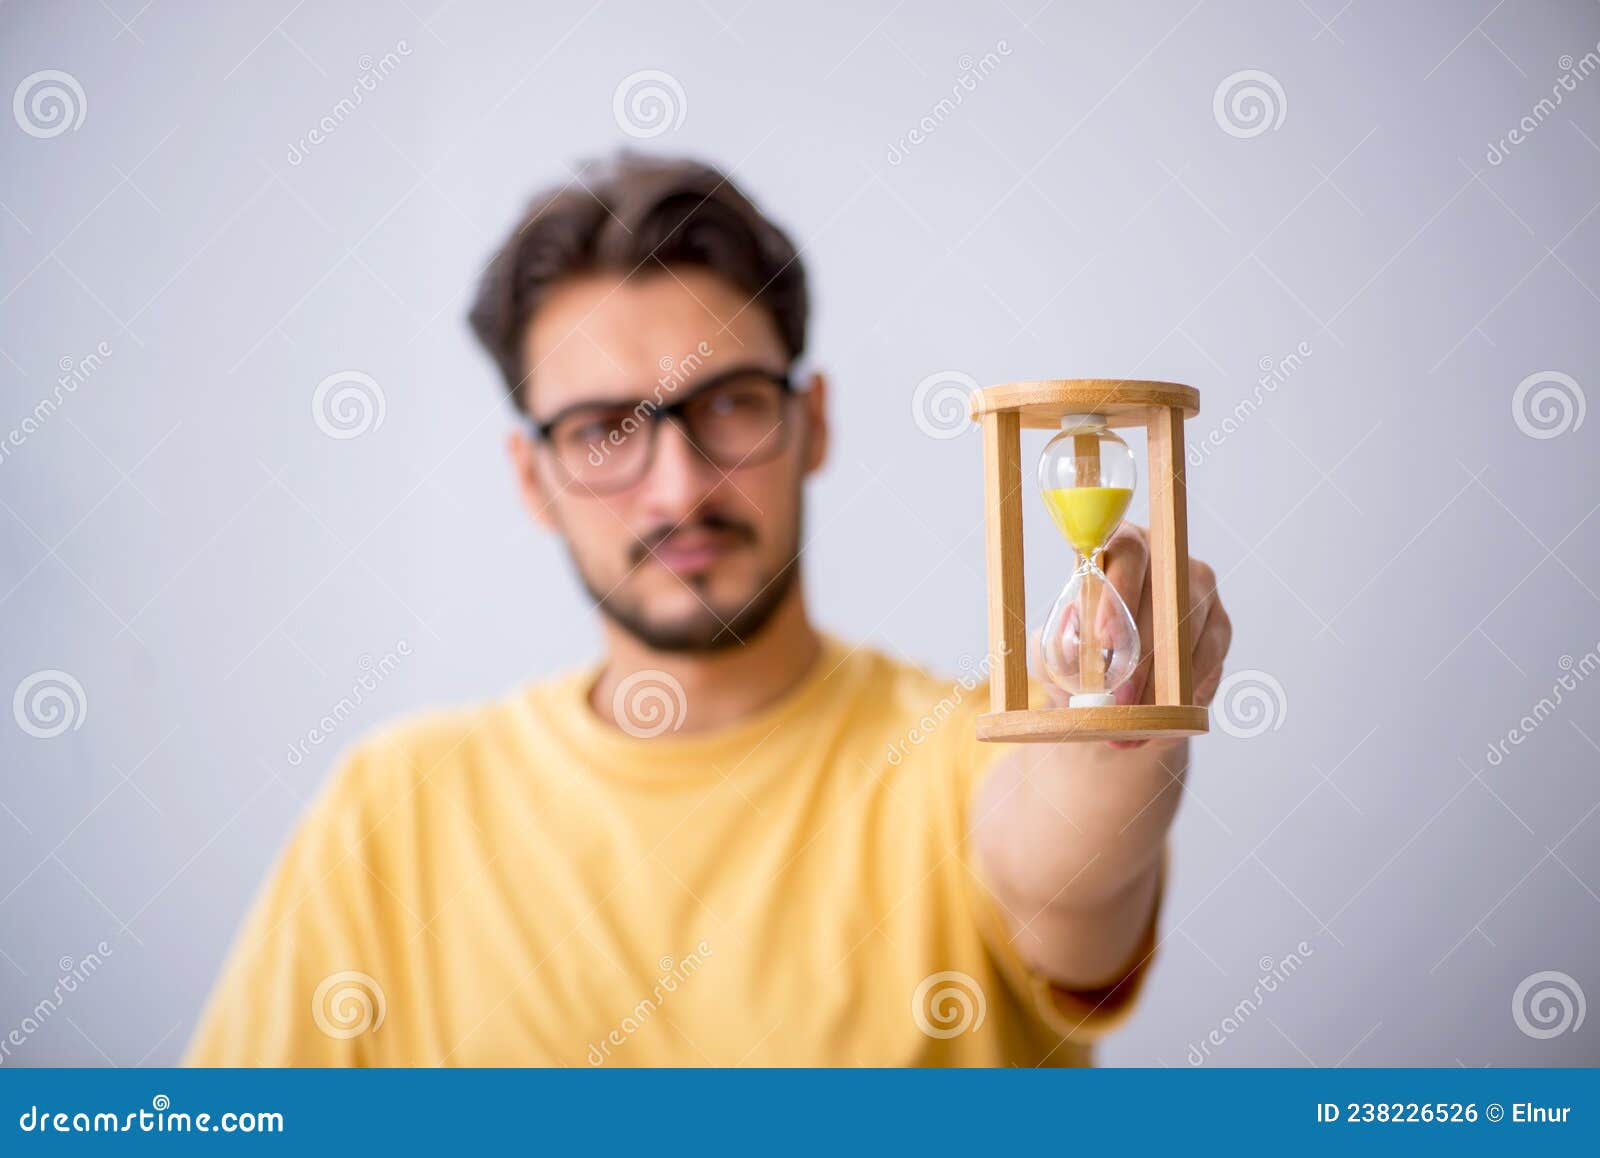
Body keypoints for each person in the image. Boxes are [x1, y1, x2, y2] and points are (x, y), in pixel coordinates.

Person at [186, 152, 1232, 1067]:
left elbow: (1062, 859)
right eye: (606, 430)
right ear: (529, 477)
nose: (678, 488)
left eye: (728, 403)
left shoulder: (967, 758)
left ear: (813, 421)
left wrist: (1109, 746)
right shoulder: (393, 809)